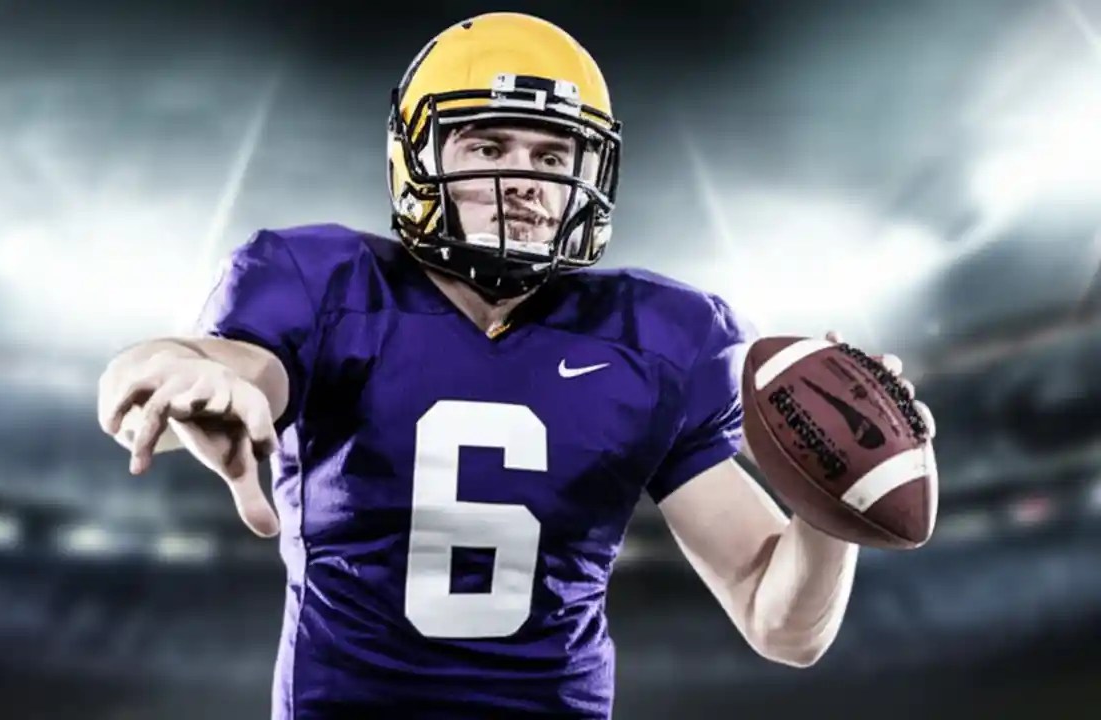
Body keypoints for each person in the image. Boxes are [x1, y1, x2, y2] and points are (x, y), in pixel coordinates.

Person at [96, 12, 935, 719]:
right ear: (417, 160)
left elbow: (780, 624)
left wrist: (831, 504)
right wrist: (174, 368)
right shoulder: (323, 287)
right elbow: (230, 366)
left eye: (551, 158)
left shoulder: (660, 336)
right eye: (488, 144)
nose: (523, 182)